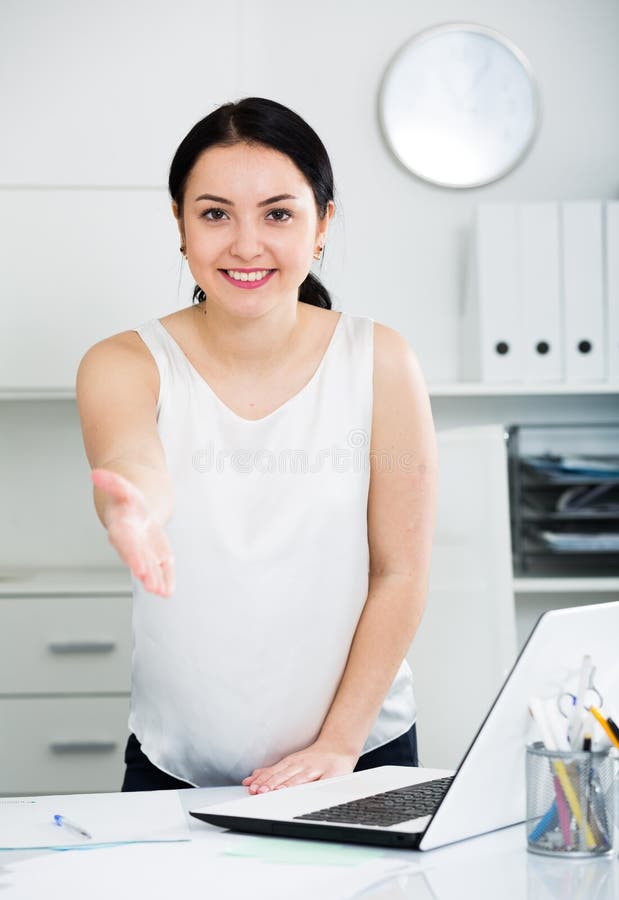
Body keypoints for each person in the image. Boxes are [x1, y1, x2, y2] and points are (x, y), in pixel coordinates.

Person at [76, 97, 437, 794]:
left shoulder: (381, 362)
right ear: (179, 226)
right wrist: (133, 510)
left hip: (358, 749)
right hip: (174, 759)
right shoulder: (122, 361)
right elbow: (133, 460)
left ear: (322, 223)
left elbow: (400, 571)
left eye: (278, 214)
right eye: (214, 214)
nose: (245, 244)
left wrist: (338, 745)